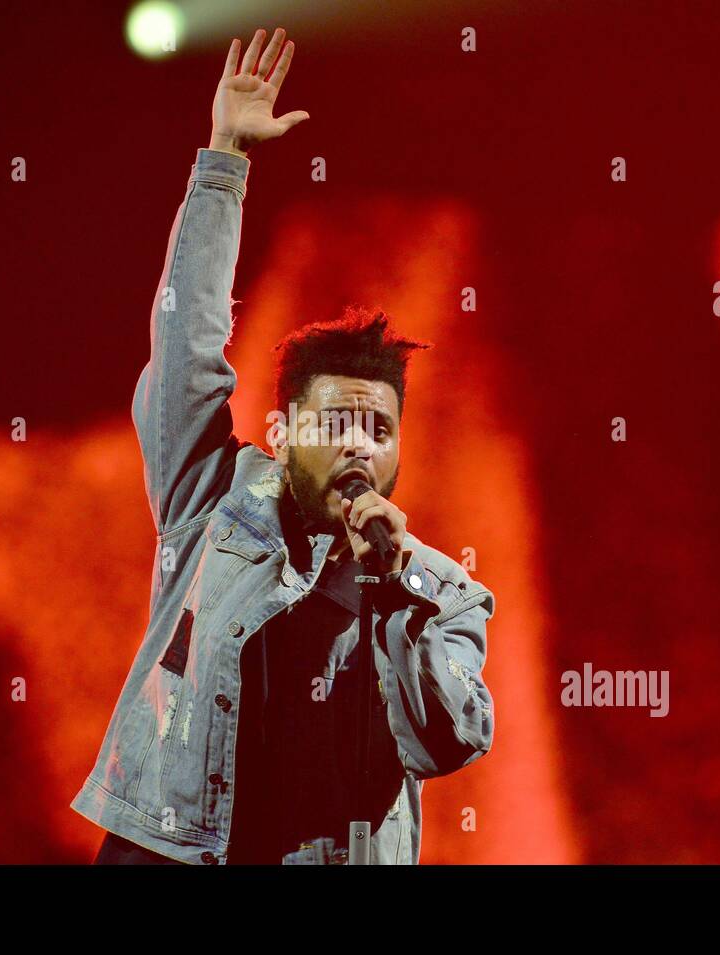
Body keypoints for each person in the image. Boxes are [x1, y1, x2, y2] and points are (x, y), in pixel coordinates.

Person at [76, 26, 495, 865]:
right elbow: (186, 350)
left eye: (378, 428)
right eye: (335, 422)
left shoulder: (443, 595)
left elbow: (444, 739)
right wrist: (224, 159)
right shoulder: (215, 498)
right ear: (280, 435)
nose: (359, 446)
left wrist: (392, 582)